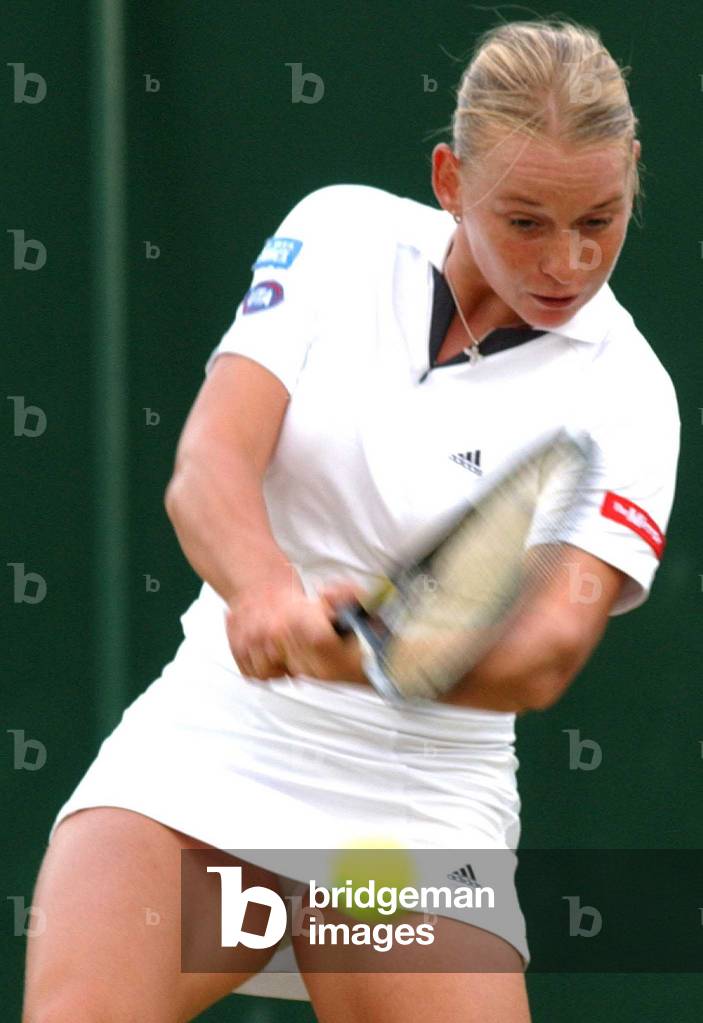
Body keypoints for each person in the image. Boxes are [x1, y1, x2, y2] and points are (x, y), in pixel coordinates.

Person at [22, 17, 680, 1023]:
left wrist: (353, 655)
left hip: (412, 814)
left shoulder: (630, 393)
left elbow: (546, 652)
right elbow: (210, 462)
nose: (567, 260)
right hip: (214, 745)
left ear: (633, 172)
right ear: (448, 180)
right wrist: (267, 594)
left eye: (600, 216)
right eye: (525, 220)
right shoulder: (337, 233)